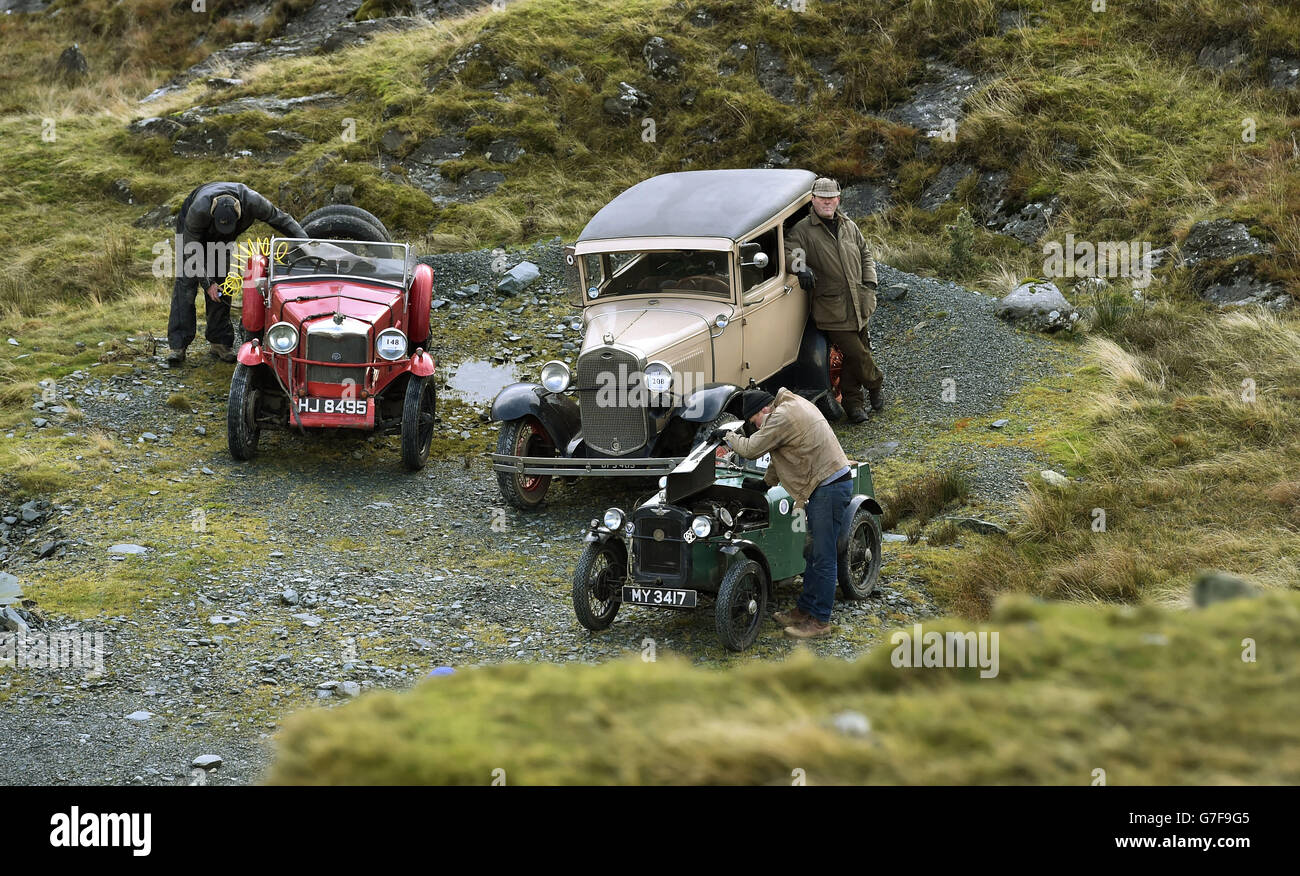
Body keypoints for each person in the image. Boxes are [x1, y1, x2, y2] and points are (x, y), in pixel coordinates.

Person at [710, 388, 854, 639]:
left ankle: (820, 622)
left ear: (763, 410)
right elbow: (782, 454)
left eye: (754, 421)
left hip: (828, 488)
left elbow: (752, 449)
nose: (756, 427)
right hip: (824, 484)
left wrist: (728, 436)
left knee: (824, 556)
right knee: (812, 553)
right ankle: (804, 610)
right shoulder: (791, 406)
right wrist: (765, 484)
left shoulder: (782, 416)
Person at [165, 182, 305, 368]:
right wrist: (207, 284)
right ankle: (178, 345)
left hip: (223, 241)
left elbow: (282, 220)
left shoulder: (253, 202)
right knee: (187, 284)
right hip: (192, 234)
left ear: (239, 215)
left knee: (223, 283)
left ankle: (219, 341)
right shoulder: (198, 211)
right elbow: (192, 252)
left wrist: (308, 245)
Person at [784, 176, 883, 423]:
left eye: (832, 198)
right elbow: (788, 253)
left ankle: (853, 406)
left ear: (838, 199)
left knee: (854, 356)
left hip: (859, 302)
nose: (827, 203)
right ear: (813, 200)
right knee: (858, 354)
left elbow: (865, 253)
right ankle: (875, 385)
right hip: (831, 308)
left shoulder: (849, 226)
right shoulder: (803, 230)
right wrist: (801, 267)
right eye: (822, 199)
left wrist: (870, 283)